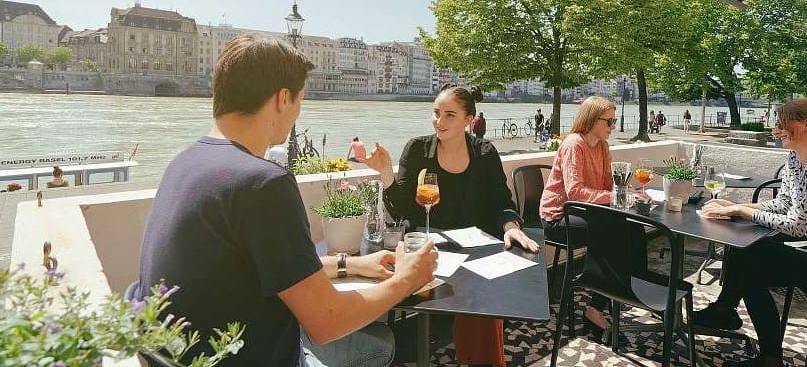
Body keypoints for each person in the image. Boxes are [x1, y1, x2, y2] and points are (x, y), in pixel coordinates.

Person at [136, 34, 437, 367]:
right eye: (300, 100)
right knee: (378, 346)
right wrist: (408, 278)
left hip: (184, 357)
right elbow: (327, 321)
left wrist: (349, 264)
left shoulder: (185, 163)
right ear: (283, 98)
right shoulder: (262, 183)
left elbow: (263, 268)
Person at [360, 84, 539, 367]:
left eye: (449, 115)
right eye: (436, 113)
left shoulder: (484, 152)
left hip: (474, 250)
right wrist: (385, 173)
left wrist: (510, 226)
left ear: (469, 119)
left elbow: (500, 200)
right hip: (428, 247)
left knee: (485, 295)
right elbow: (402, 209)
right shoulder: (417, 149)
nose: (439, 122)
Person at [698, 98, 807, 367]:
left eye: (782, 123)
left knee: (752, 252)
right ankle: (746, 333)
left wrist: (743, 212)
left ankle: (735, 320)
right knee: (745, 250)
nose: (776, 129)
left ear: (806, 124)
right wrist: (735, 206)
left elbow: (797, 225)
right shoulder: (796, 158)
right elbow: (782, 204)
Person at [539, 96, 649, 341]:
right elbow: (575, 192)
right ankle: (598, 304)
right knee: (617, 232)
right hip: (558, 216)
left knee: (635, 230)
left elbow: (608, 187)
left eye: (614, 120)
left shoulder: (602, 146)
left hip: (585, 211)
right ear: (591, 119)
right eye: (609, 121)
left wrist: (628, 194)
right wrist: (614, 197)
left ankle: (628, 289)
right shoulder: (573, 145)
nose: (612, 126)